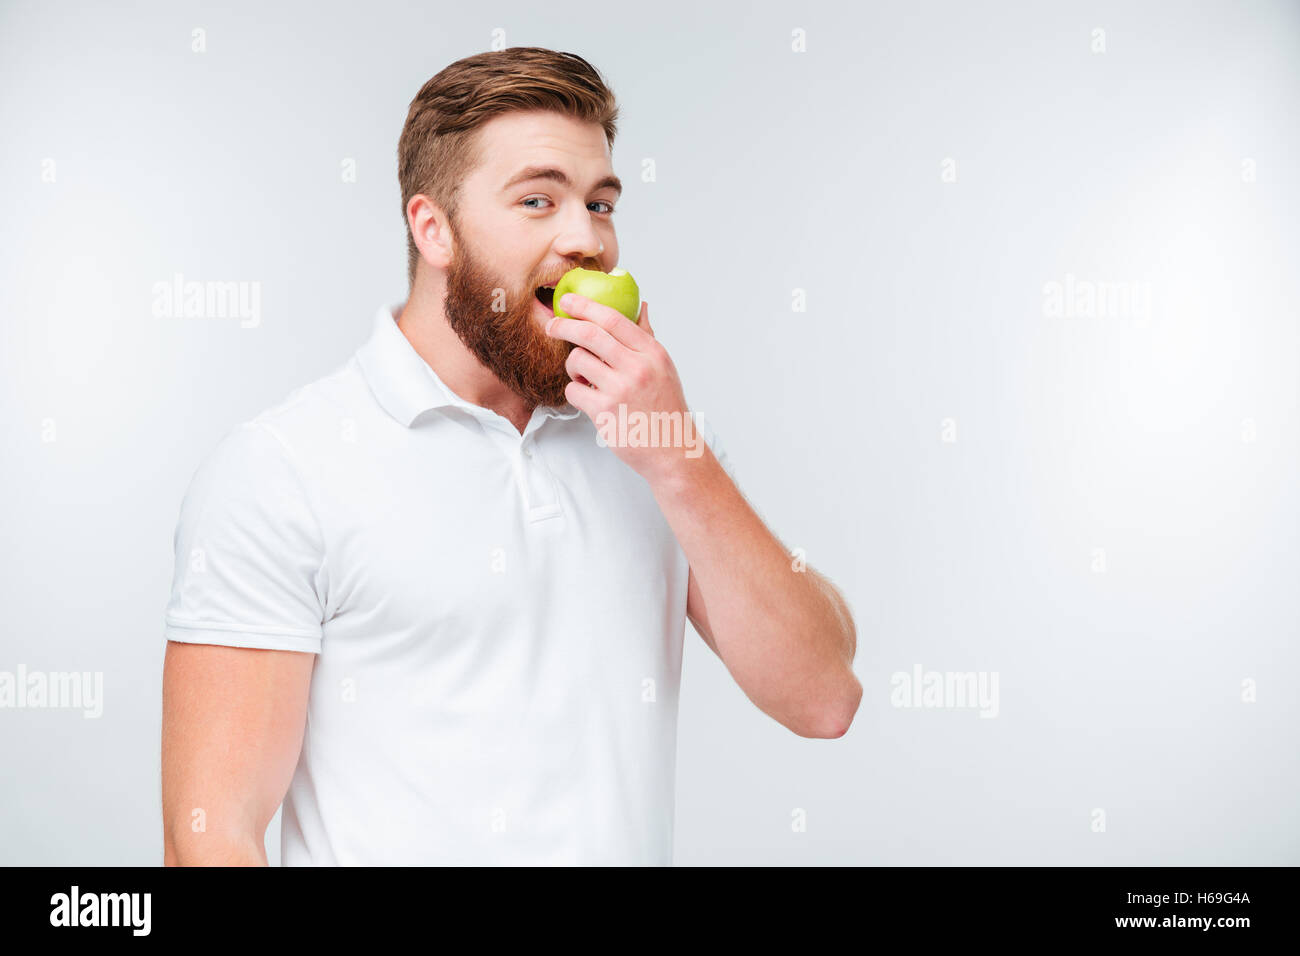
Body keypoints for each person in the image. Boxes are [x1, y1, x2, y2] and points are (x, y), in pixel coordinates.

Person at [161, 46, 861, 866]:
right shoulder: (283, 469)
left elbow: (824, 698)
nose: (587, 241)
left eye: (600, 204)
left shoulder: (652, 444)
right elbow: (210, 837)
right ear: (434, 229)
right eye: (538, 200)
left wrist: (678, 458)